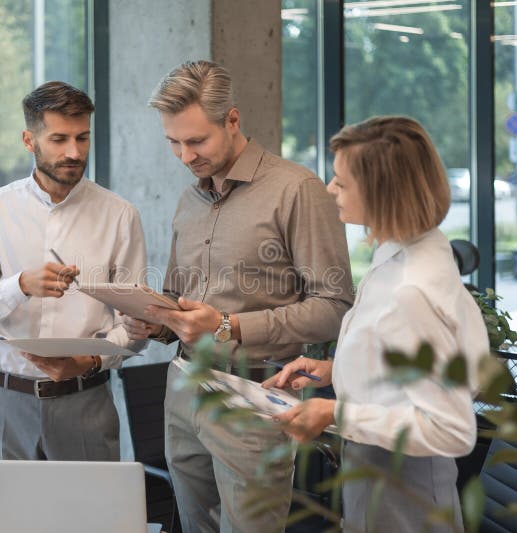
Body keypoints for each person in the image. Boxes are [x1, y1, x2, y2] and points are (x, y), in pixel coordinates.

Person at [122, 60, 353, 533]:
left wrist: (231, 326)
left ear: (232, 119)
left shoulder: (297, 190)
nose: (185, 156)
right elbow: (178, 296)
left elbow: (335, 307)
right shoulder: (189, 200)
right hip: (184, 386)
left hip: (253, 393)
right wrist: (155, 319)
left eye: (196, 140)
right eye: (173, 142)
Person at [262, 116, 489, 532]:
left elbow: (451, 428)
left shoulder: (413, 287)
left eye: (342, 182)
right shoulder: (408, 247)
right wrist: (341, 370)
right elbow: (422, 362)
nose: (330, 189)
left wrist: (335, 412)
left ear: (383, 191)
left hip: (407, 490)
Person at [0, 81, 147, 466]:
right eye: (59, 139)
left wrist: (89, 360)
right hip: (5, 403)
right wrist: (20, 286)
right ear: (30, 140)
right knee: (11, 522)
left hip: (86, 401)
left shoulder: (120, 215)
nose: (74, 152)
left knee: (91, 523)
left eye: (82, 138)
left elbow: (137, 328)